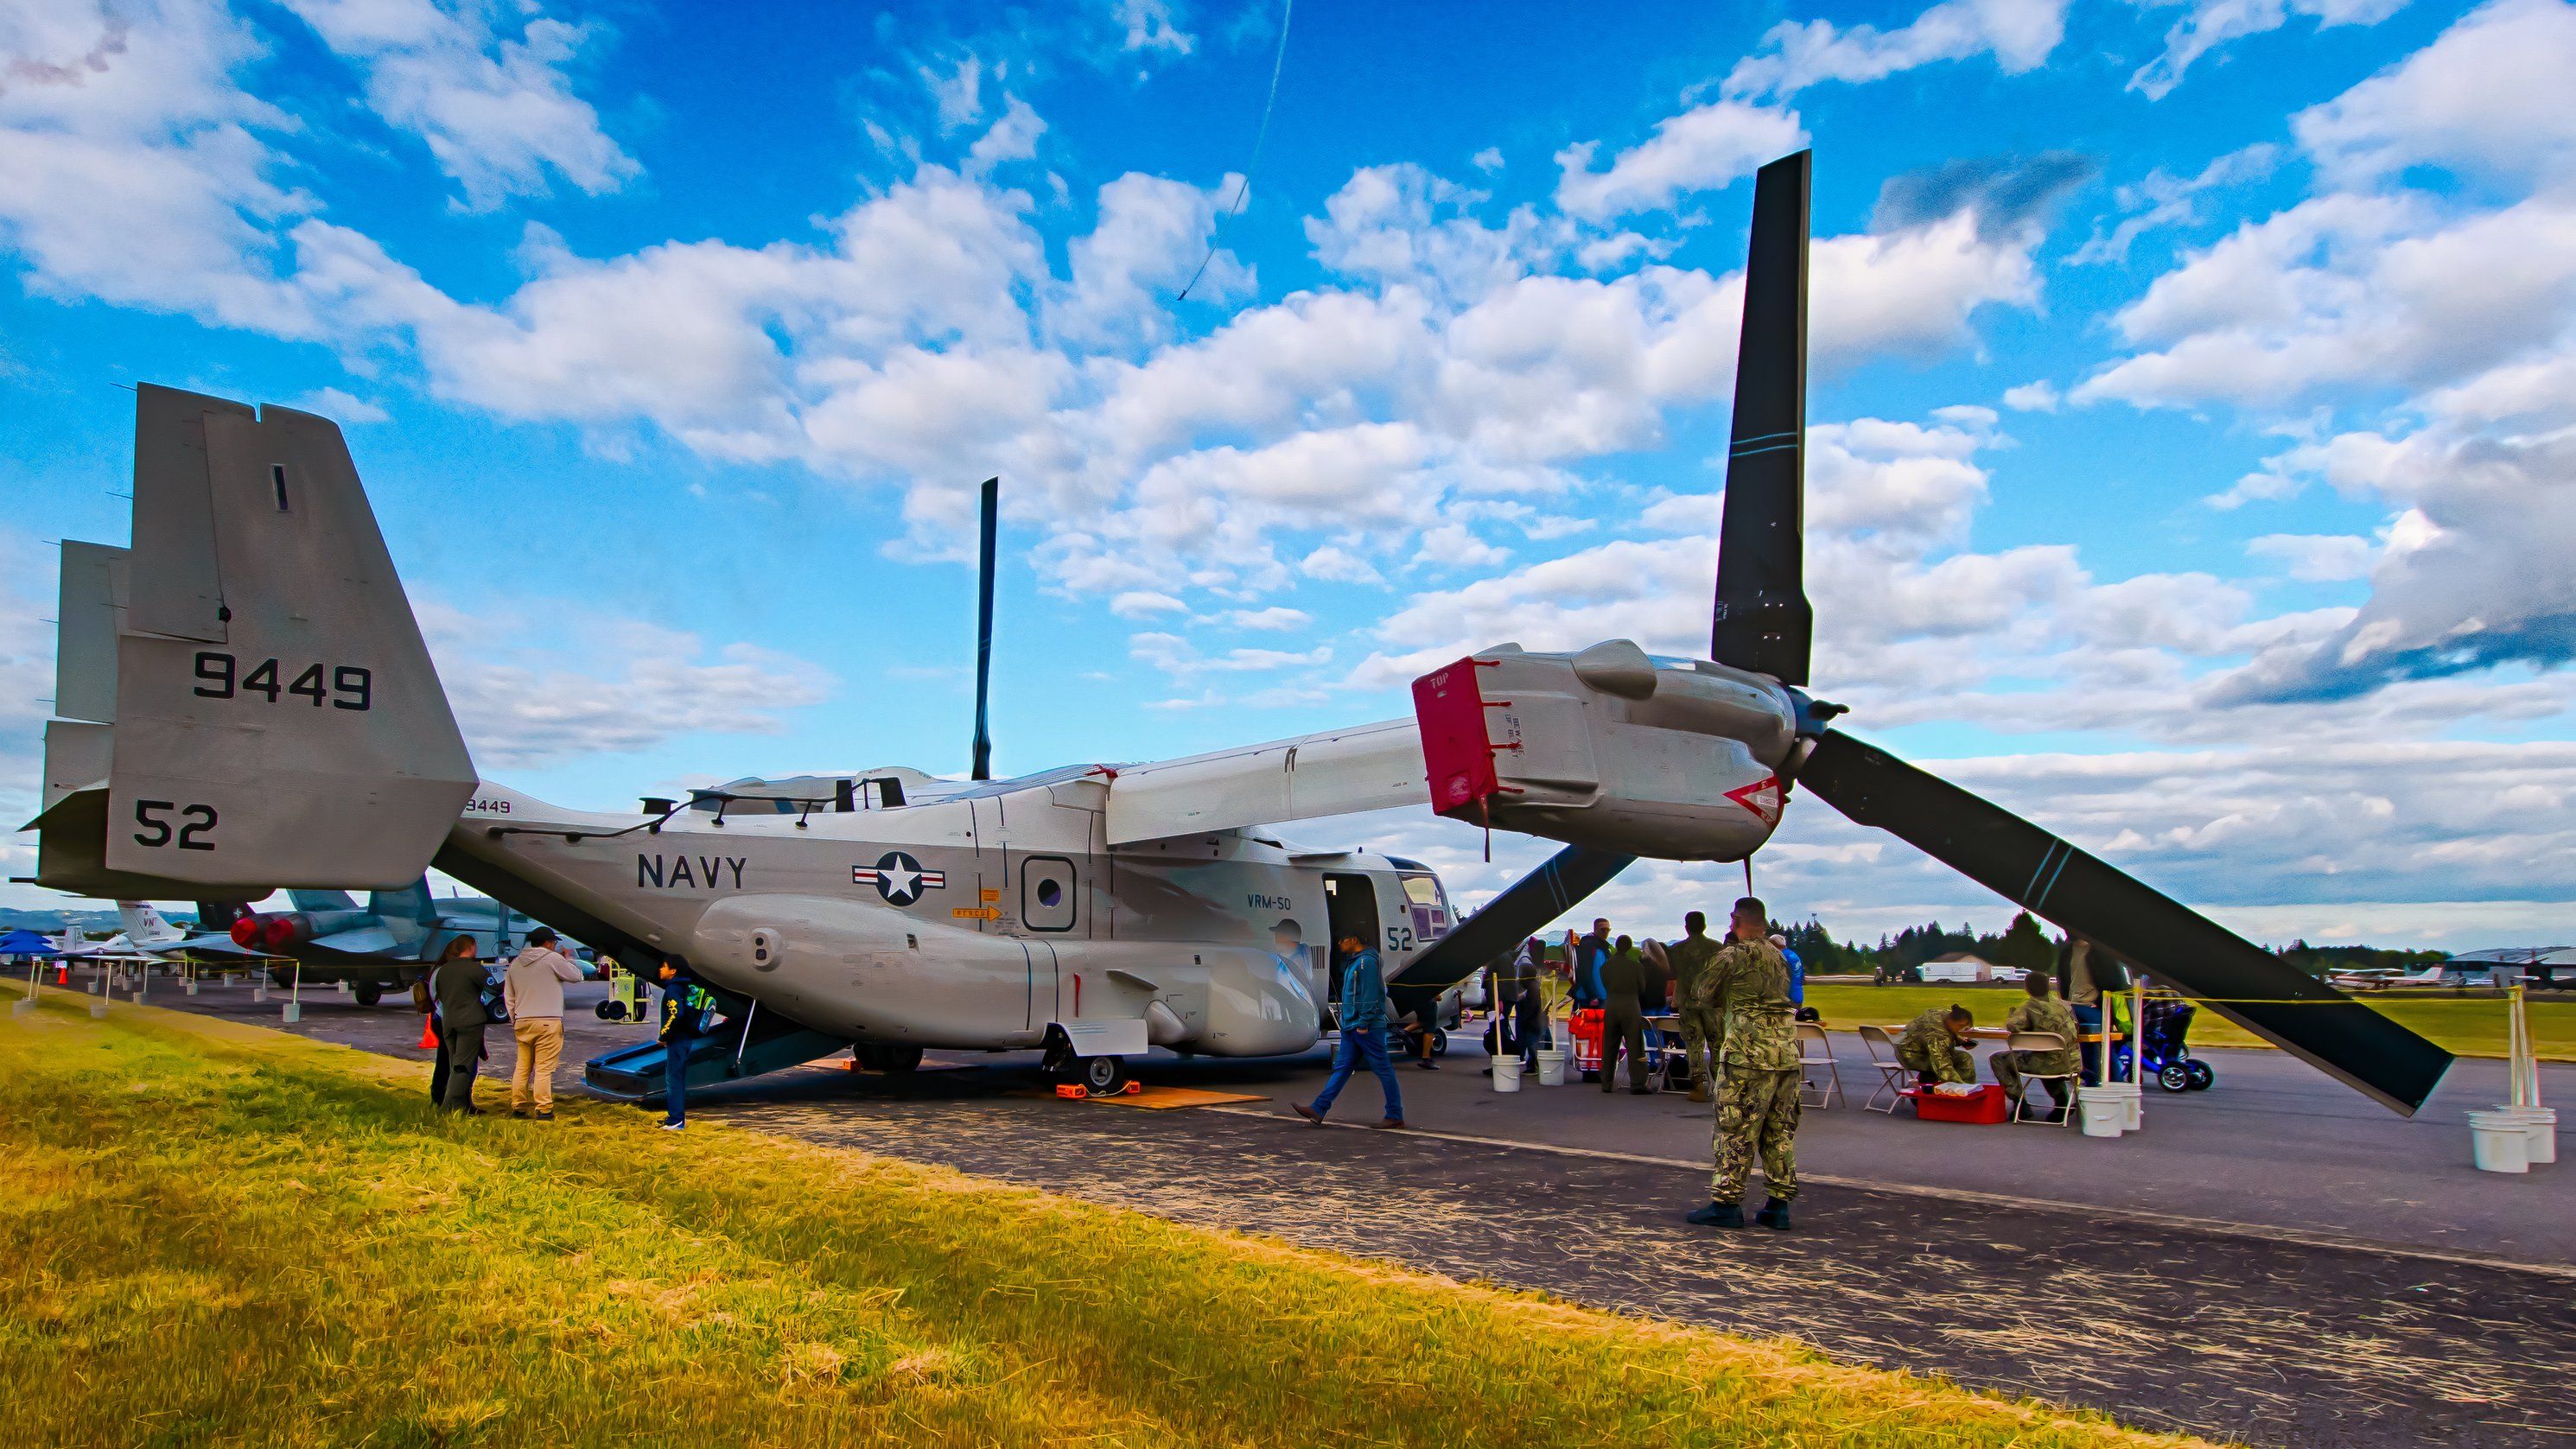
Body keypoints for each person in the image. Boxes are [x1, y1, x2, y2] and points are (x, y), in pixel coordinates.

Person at [1687, 897, 1802, 1230]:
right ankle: (1778, 1206)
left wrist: (1725, 956)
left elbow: (1702, 994)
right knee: (1779, 1131)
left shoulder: (1733, 955)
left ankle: (1727, 1203)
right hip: (1785, 1054)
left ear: (1735, 920)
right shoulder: (1780, 957)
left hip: (1747, 1055)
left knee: (1736, 1129)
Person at [1294, 933, 1404, 1128]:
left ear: (1354, 940)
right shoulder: (1358, 962)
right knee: (1343, 1069)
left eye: (1342, 939)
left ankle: (1395, 1115)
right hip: (1352, 1026)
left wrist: (1364, 1022)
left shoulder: (1366, 963)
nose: (1338, 943)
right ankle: (1319, 1108)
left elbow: (1370, 994)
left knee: (1383, 1070)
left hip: (1365, 1027)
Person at [503, 927, 586, 1120]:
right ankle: (544, 1108)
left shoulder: (516, 963)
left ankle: (519, 1106)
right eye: (554, 943)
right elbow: (575, 976)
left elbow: (509, 996)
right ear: (548, 943)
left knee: (522, 1067)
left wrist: (515, 1018)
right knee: (543, 1068)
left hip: (523, 1021)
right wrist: (568, 958)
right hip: (548, 1021)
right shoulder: (552, 959)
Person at [1994, 971, 2083, 1121]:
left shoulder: (2030, 1006)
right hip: (2071, 1062)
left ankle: (2020, 1102)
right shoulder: (2064, 1005)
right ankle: (2061, 1100)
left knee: (1999, 1059)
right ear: (2049, 987)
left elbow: (2012, 1025)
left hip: (2045, 1063)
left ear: (2027, 988)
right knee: (2046, 1055)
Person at [1663, 912, 1724, 1102]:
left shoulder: (1677, 950)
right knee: (1717, 1044)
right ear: (1704, 926)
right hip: (1713, 1003)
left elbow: (1670, 974)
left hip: (1688, 1002)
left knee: (1693, 1044)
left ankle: (1698, 1086)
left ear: (1686, 927)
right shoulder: (1717, 948)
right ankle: (1720, 1085)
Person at [429, 937, 490, 1114]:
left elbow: (437, 996)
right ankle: (451, 1103)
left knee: (449, 1061)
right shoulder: (468, 969)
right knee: (461, 1065)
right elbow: (491, 988)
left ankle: (450, 1100)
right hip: (461, 1019)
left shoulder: (440, 971)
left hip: (446, 1019)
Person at [655, 960, 718, 1130]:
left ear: (673, 970)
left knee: (673, 1079)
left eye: (664, 966)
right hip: (687, 1037)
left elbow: (676, 1013)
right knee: (678, 1078)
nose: (660, 969)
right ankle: (676, 1118)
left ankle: (675, 1120)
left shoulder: (672, 989)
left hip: (678, 1039)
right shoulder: (687, 987)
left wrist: (664, 1035)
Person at [1598, 934, 1654, 1095]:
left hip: (1612, 1005)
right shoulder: (1636, 966)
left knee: (1609, 1045)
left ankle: (1606, 1082)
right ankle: (1637, 1082)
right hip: (1630, 1005)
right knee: (1635, 1045)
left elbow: (1605, 984)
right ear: (1629, 947)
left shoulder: (1606, 967)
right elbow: (1642, 988)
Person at [1897, 1004, 1977, 1086]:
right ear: (1951, 1020)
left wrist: (1959, 1040)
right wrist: (1960, 1087)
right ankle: (1965, 1088)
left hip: (1910, 1047)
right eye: (1960, 1026)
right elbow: (1942, 1065)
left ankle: (1966, 1085)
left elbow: (1947, 1029)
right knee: (1959, 1061)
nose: (1961, 1029)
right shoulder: (1937, 1036)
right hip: (1913, 1056)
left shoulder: (1941, 1013)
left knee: (1964, 1057)